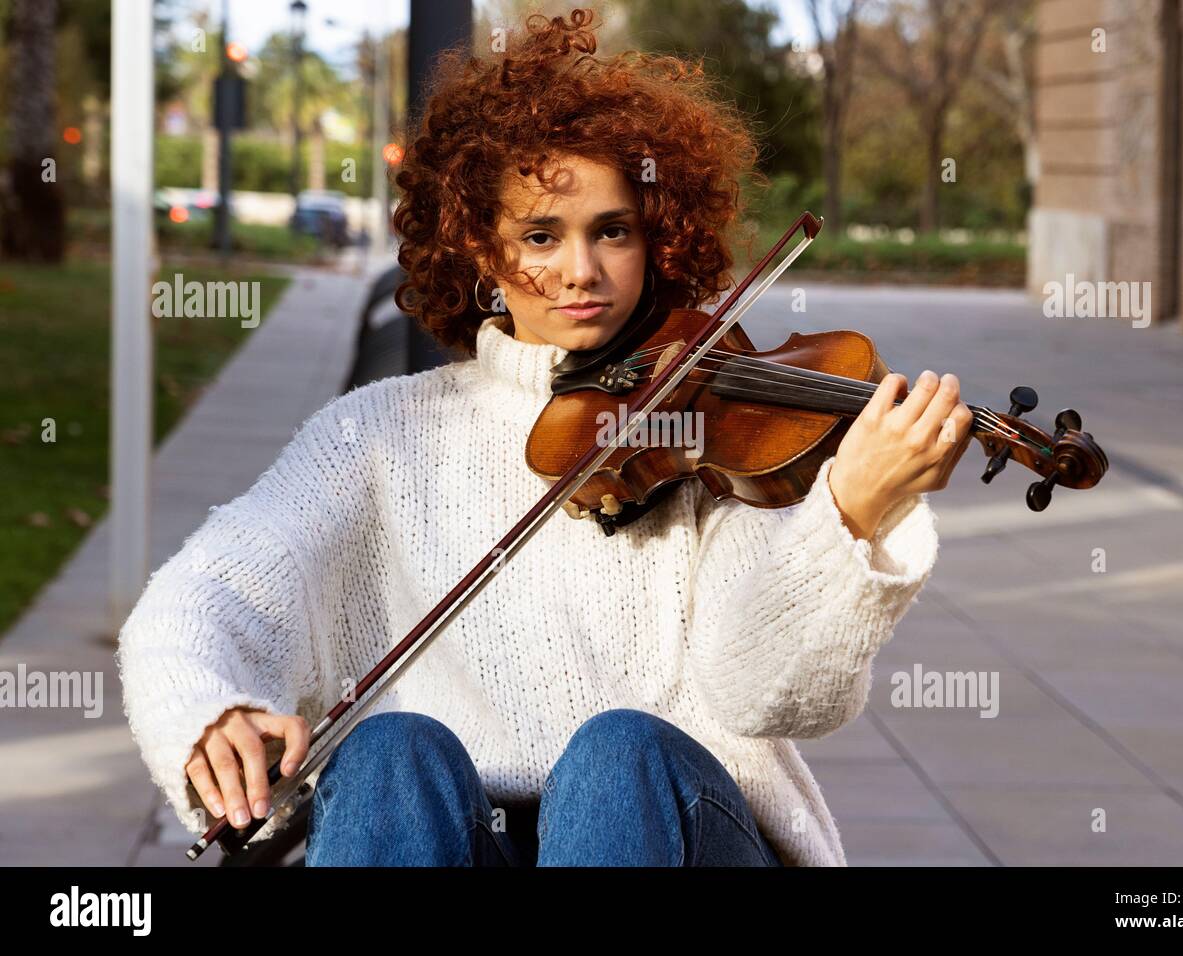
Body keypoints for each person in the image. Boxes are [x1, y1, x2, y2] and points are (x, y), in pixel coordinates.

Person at [116, 8, 972, 867]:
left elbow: (769, 695)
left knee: (618, 756)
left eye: (613, 230)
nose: (580, 272)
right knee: (385, 753)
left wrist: (849, 517)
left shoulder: (712, 435)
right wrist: (207, 707)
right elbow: (208, 591)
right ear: (479, 251)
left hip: (677, 833)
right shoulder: (376, 437)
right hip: (451, 840)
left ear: (657, 238)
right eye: (539, 235)